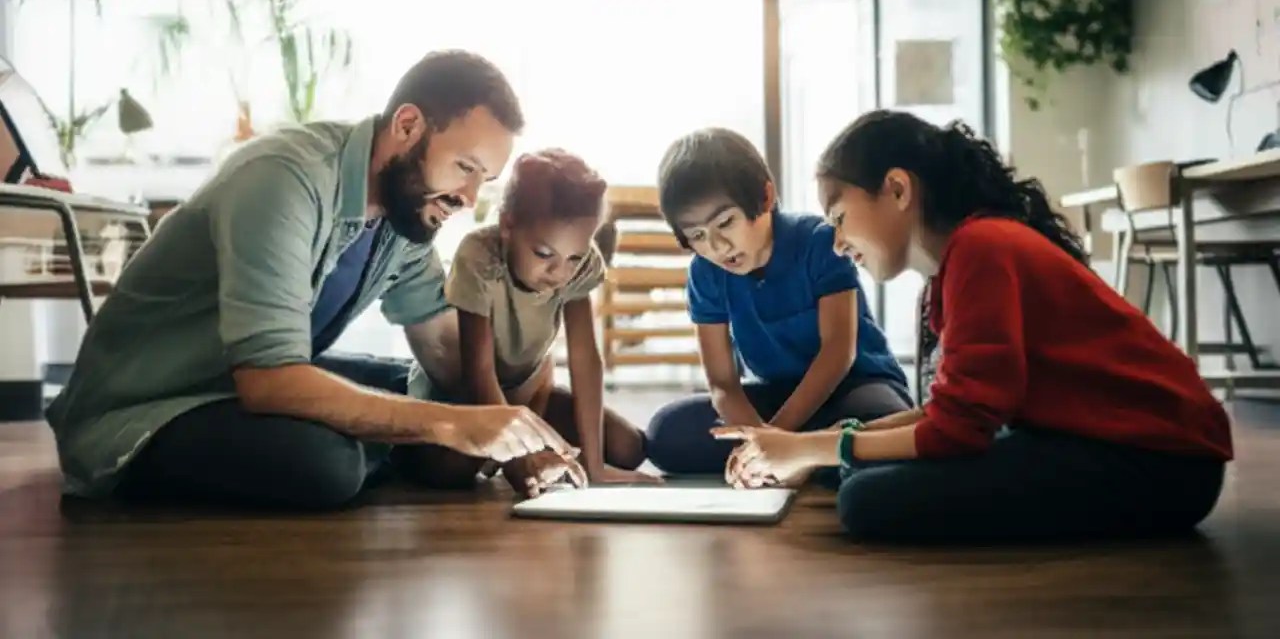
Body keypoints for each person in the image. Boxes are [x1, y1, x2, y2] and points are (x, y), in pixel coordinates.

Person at [46, 50, 583, 510]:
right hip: (153, 404)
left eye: (484, 180)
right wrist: (452, 425)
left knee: (417, 390)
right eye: (465, 167)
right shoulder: (283, 180)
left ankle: (397, 447)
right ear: (407, 126)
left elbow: (445, 351)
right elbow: (269, 378)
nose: (469, 199)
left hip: (243, 384)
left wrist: (525, 407)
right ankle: (389, 451)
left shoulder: (406, 214)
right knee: (327, 465)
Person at [714, 110, 1234, 542]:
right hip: (1104, 446)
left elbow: (956, 430)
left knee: (866, 499)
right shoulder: (956, 266)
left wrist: (813, 447)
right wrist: (820, 444)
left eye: (839, 218)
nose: (836, 243)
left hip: (1160, 462)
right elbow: (951, 410)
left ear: (897, 189)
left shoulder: (982, 248)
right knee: (852, 473)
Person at [644, 128, 909, 484]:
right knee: (667, 433)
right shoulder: (705, 273)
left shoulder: (818, 241)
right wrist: (755, 439)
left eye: (726, 222)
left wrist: (779, 440)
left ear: (765, 196)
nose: (717, 246)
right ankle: (809, 463)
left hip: (854, 385)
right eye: (697, 236)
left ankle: (806, 458)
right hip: (778, 395)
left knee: (879, 426)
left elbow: (837, 353)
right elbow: (723, 383)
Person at [407, 149, 657, 496]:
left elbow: (585, 360)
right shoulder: (479, 256)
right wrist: (518, 458)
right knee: (449, 473)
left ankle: (541, 452)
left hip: (531, 398)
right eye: (544, 254)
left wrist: (596, 466)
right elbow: (479, 373)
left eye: (574, 257)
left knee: (627, 448)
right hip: (465, 397)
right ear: (507, 225)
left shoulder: (580, 268)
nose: (559, 272)